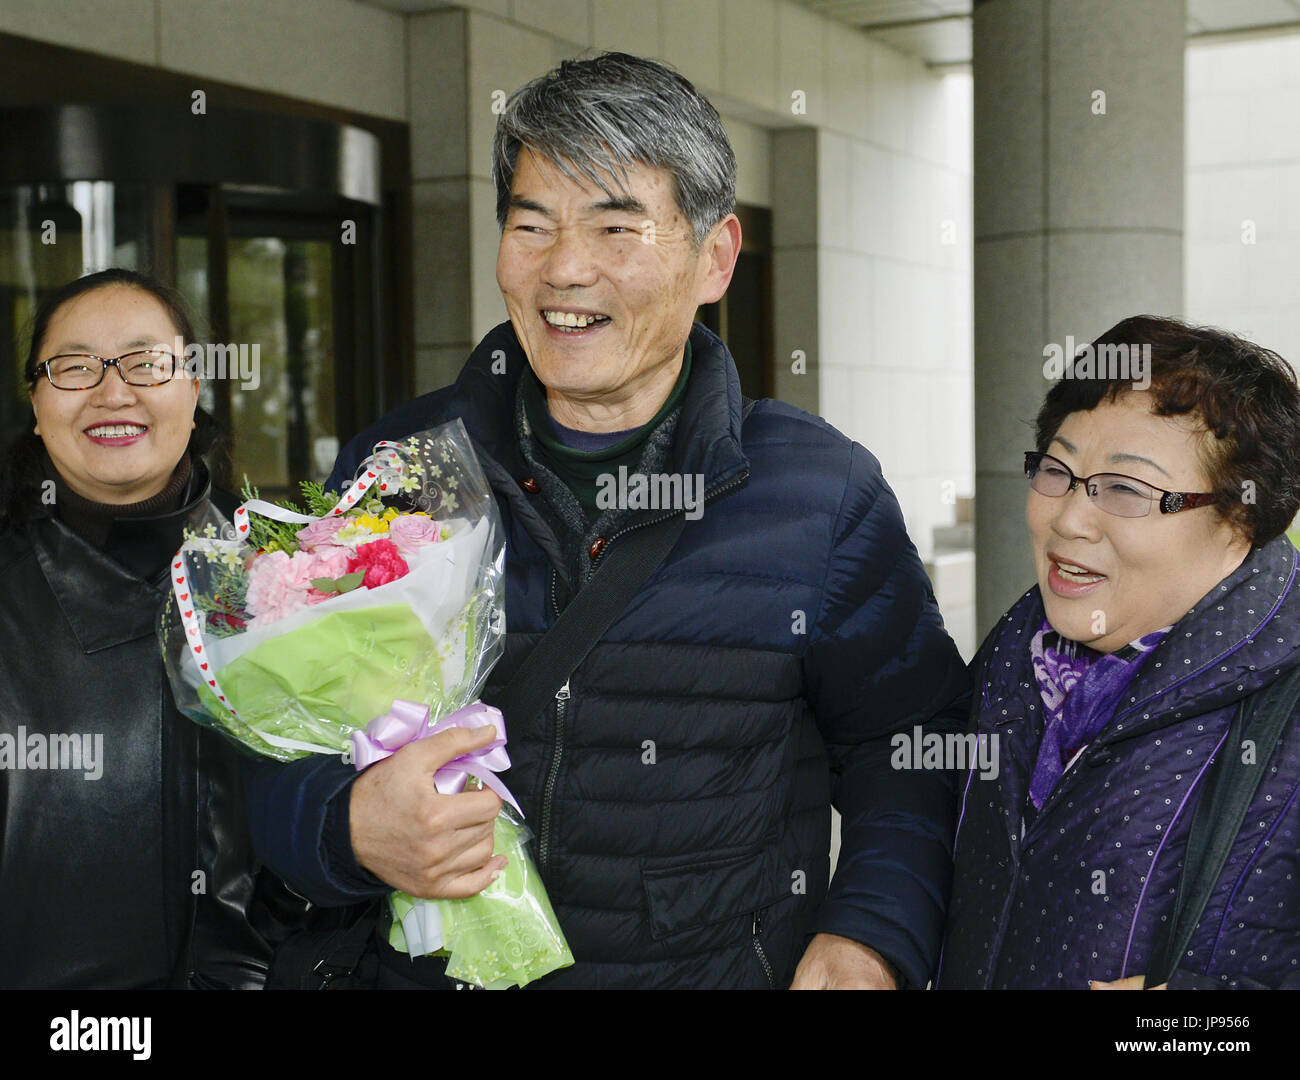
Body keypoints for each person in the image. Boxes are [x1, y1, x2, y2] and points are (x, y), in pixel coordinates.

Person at [247, 52, 970, 990]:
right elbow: (274, 740)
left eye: (615, 227)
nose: (564, 268)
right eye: (531, 224)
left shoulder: (819, 493)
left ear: (715, 258)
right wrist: (340, 828)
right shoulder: (401, 469)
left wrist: (869, 932)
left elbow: (909, 745)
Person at [938, 315, 1300, 990]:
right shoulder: (1014, 655)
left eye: (1127, 490)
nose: (1068, 519)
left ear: (1239, 519)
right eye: (1057, 471)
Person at [0, 268, 303, 988]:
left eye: (145, 362)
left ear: (193, 390)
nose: (113, 392)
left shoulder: (301, 579)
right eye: (76, 367)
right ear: (37, 404)